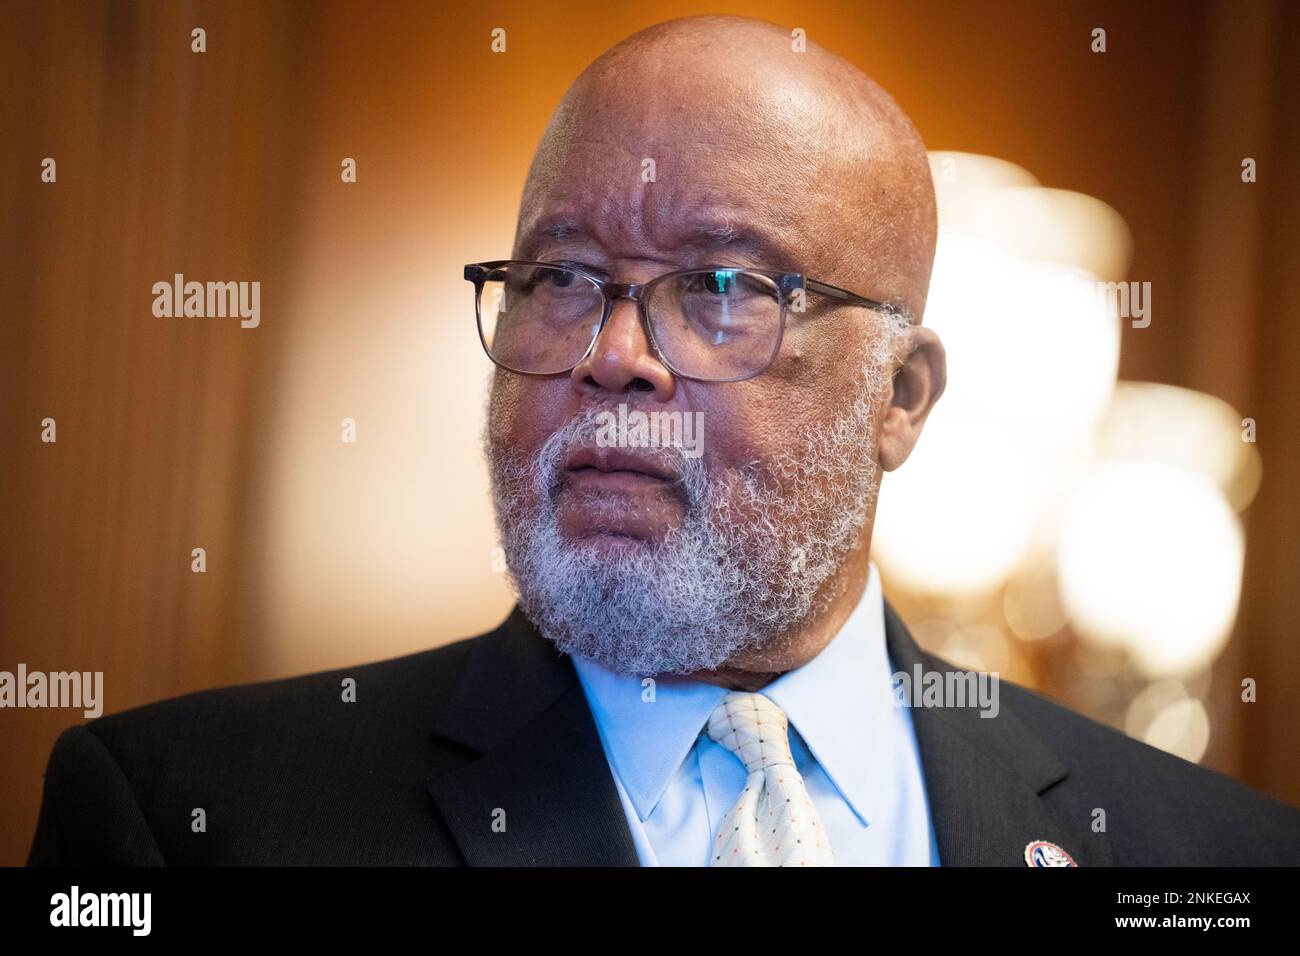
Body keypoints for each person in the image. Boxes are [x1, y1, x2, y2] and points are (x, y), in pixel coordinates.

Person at [28, 15, 1300, 867]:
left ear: (900, 397)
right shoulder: (189, 816)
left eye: (725, 286)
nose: (613, 352)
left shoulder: (1202, 853)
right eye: (562, 275)